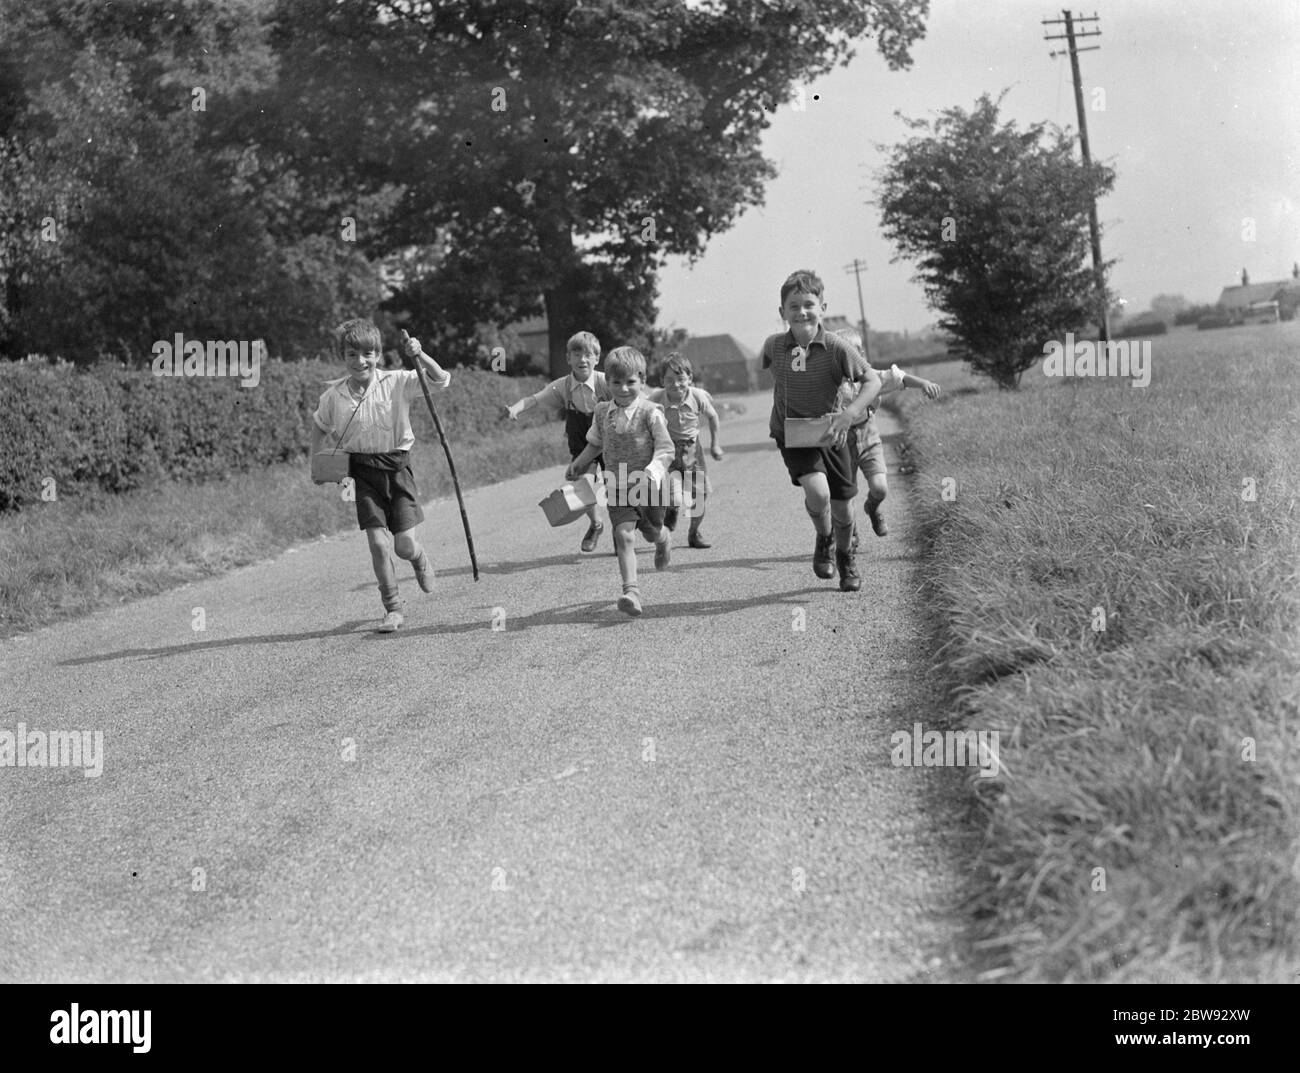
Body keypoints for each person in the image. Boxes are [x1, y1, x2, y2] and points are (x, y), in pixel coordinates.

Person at [311, 319, 451, 632]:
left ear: (378, 354)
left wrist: (421, 353)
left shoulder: (398, 381)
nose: (360, 361)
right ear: (343, 357)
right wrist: (317, 465)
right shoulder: (333, 396)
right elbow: (320, 427)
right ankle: (393, 608)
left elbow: (441, 381)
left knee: (402, 546)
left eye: (367, 353)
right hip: (361, 473)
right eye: (351, 354)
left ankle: (418, 558)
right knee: (377, 543)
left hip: (398, 469)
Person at [761, 269, 881, 592]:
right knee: (818, 492)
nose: (802, 312)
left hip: (834, 433)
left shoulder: (837, 347)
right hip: (794, 436)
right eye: (794, 306)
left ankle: (845, 556)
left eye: (809, 304)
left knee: (843, 507)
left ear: (823, 308)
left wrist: (850, 414)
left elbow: (873, 380)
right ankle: (824, 538)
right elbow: (771, 371)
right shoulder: (774, 347)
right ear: (782, 312)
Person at [565, 346, 674, 617]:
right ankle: (631, 592)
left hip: (648, 487)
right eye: (616, 382)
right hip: (617, 486)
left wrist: (652, 472)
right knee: (623, 535)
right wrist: (579, 463)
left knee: (651, 532)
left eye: (630, 382)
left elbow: (666, 449)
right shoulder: (602, 412)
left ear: (643, 381)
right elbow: (595, 443)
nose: (623, 388)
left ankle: (663, 539)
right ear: (608, 383)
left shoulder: (651, 412)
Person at [503, 331, 609, 553]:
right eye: (577, 354)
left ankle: (621, 532)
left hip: (610, 445)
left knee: (617, 491)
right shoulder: (562, 385)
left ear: (597, 358)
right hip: (582, 447)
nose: (583, 359)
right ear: (568, 358)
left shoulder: (605, 382)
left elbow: (635, 397)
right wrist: (515, 409)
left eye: (588, 354)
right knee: (583, 488)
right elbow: (533, 399)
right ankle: (596, 524)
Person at [832, 327, 941, 545]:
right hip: (842, 444)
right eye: (843, 356)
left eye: (857, 354)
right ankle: (849, 529)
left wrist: (924, 384)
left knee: (880, 487)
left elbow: (898, 378)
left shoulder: (870, 378)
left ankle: (872, 507)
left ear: (862, 356)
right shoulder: (831, 384)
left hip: (869, 439)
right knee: (845, 494)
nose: (852, 360)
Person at [647, 354, 724, 549]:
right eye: (669, 380)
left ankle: (694, 532)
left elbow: (713, 418)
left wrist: (715, 445)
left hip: (692, 450)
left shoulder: (697, 396)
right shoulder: (657, 398)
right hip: (668, 451)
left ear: (689, 378)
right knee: (673, 495)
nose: (676, 385)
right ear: (661, 381)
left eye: (681, 379)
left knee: (699, 495)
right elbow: (642, 416)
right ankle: (671, 510)